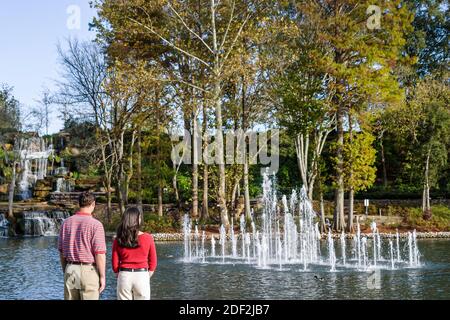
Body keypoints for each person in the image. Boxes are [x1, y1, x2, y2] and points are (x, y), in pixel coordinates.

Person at [58, 192, 107, 300]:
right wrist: (102, 276)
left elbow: (61, 252)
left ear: (79, 203)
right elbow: (99, 254)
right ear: (93, 204)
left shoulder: (66, 223)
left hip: (70, 269)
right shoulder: (96, 225)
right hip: (88, 271)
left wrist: (66, 269)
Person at [112, 207, 157, 300]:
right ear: (137, 220)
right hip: (142, 274)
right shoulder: (148, 238)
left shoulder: (119, 239)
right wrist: (146, 275)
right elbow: (153, 262)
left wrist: (119, 274)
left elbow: (114, 262)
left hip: (124, 274)